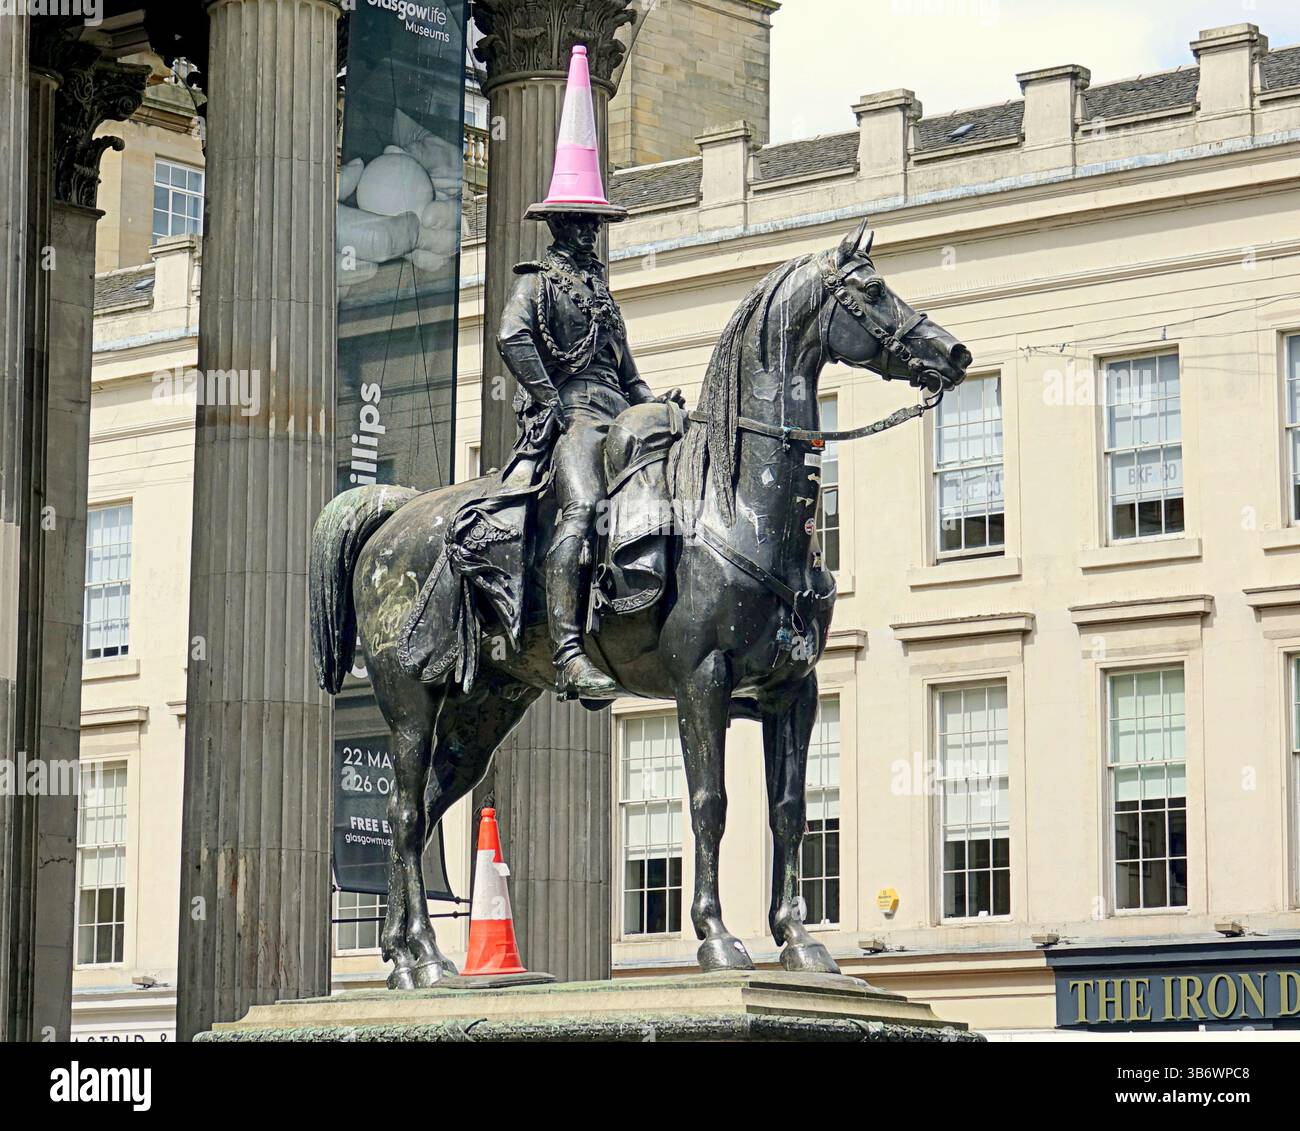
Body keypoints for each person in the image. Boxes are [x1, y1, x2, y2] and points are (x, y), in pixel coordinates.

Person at [497, 209, 681, 698]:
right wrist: (548, 398)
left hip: (622, 418)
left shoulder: (602, 296)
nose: (590, 233)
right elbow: (511, 335)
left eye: (594, 225)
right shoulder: (537, 284)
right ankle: (569, 654)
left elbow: (631, 378)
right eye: (580, 223)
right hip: (574, 415)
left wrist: (659, 404)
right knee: (582, 510)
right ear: (558, 227)